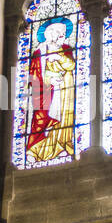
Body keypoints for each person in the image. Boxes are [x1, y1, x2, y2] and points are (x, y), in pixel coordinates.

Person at [26, 17, 77, 163]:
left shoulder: (66, 49)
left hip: (64, 87)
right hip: (44, 90)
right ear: (48, 33)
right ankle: (34, 150)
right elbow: (34, 76)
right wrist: (49, 80)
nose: (60, 35)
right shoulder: (38, 52)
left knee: (64, 117)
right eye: (57, 32)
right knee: (40, 117)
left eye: (62, 33)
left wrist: (59, 57)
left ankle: (61, 146)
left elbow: (71, 65)